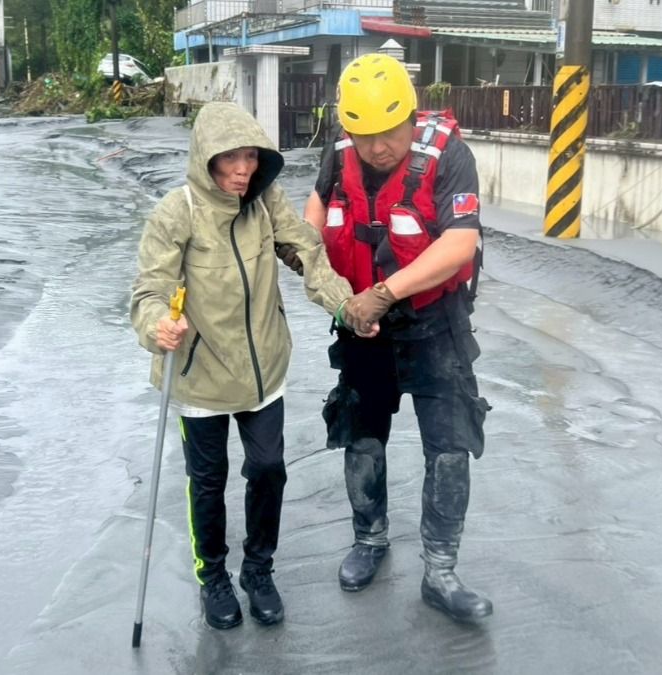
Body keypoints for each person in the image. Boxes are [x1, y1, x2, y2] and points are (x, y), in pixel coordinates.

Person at [130, 102, 354, 630]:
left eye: (250, 156)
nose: (241, 169)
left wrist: (346, 305)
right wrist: (157, 324)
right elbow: (149, 290)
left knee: (269, 470)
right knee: (207, 483)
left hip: (263, 373)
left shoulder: (265, 202)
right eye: (229, 158)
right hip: (199, 378)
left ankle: (258, 570)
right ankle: (213, 578)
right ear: (206, 158)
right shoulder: (177, 211)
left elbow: (307, 251)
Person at [294, 53, 493, 623]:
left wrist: (383, 292)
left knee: (451, 448)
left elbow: (458, 244)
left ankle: (441, 570)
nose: (377, 148)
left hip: (434, 327)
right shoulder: (340, 155)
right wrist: (311, 258)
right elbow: (315, 210)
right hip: (362, 329)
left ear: (411, 115)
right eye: (364, 136)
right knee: (361, 436)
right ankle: (370, 539)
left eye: (388, 133)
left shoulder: (450, 156)